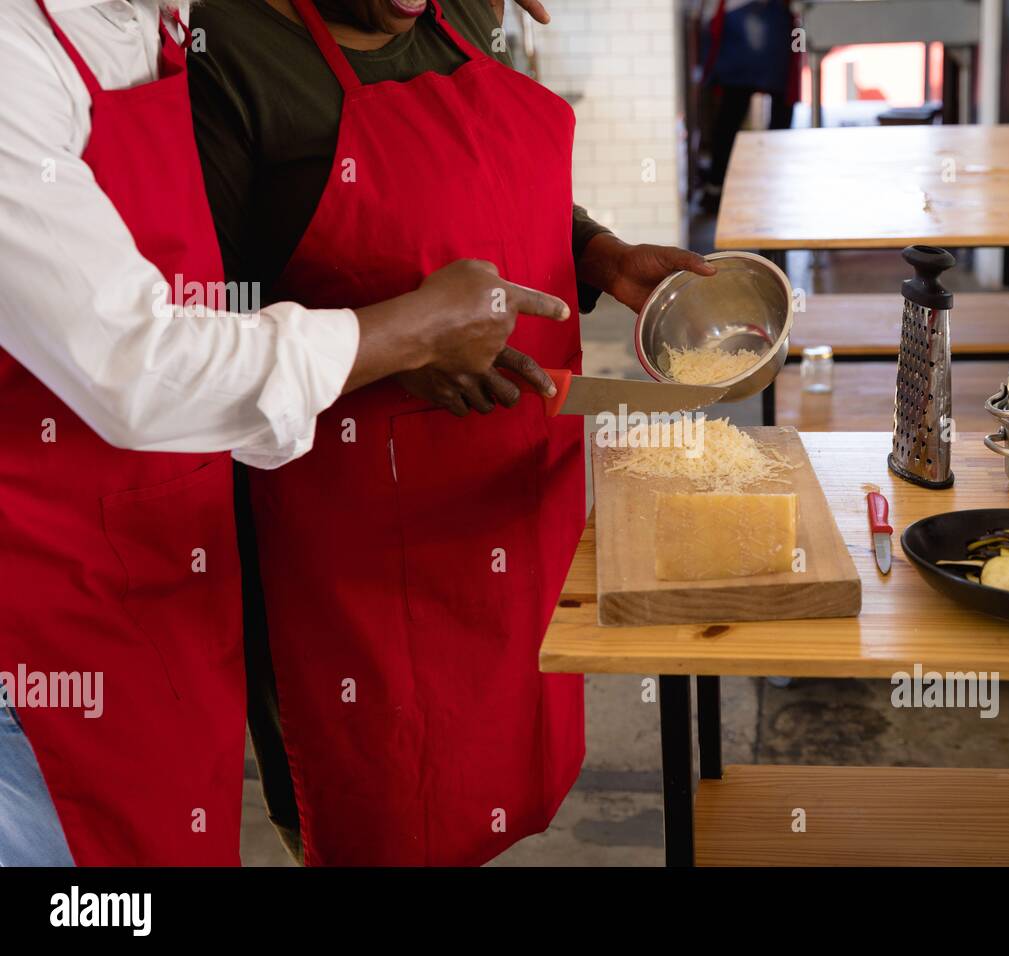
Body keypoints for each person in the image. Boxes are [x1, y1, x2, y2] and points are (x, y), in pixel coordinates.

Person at [0, 0, 561, 865]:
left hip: (167, 567)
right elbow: (134, 363)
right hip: (35, 608)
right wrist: (403, 333)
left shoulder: (161, 20)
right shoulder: (17, 54)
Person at [189, 0, 714, 865]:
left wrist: (597, 252)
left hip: (512, 499)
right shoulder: (229, 53)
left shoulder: (460, 10)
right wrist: (399, 347)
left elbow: (489, 178)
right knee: (381, 807)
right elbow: (202, 330)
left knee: (505, 764)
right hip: (354, 543)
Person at [698, 0, 801, 211]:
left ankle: (717, 188)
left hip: (741, 15)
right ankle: (777, 186)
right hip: (763, 17)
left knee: (731, 112)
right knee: (776, 114)